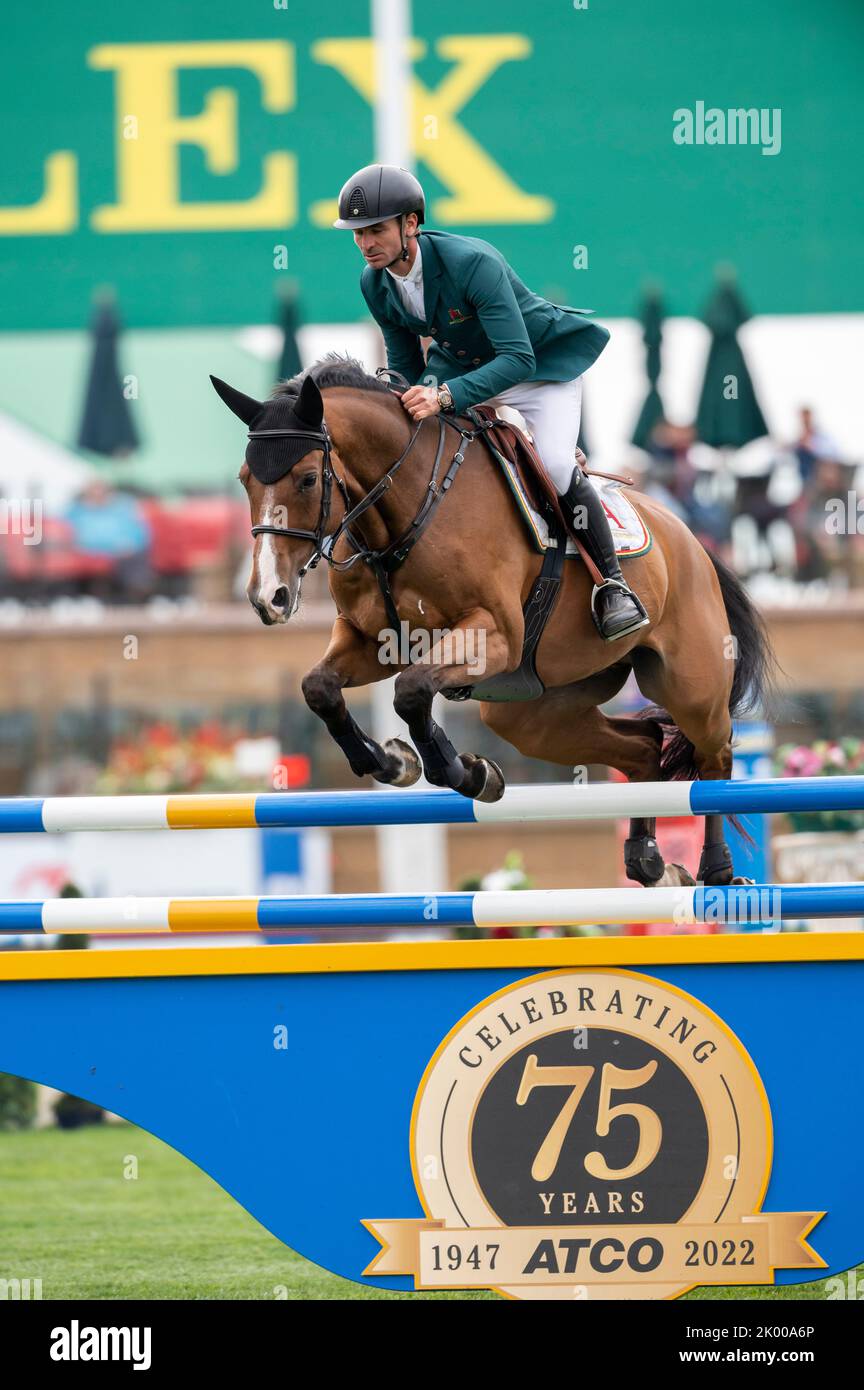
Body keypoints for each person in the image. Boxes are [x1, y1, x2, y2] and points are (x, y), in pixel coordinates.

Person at [332, 163, 648, 641]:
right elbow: (403, 365)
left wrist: (444, 395)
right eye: (357, 233)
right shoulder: (374, 283)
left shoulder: (472, 262)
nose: (365, 243)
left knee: (558, 467)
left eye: (375, 229)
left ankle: (612, 586)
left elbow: (517, 358)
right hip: (460, 369)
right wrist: (405, 404)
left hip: (539, 370)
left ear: (410, 224)